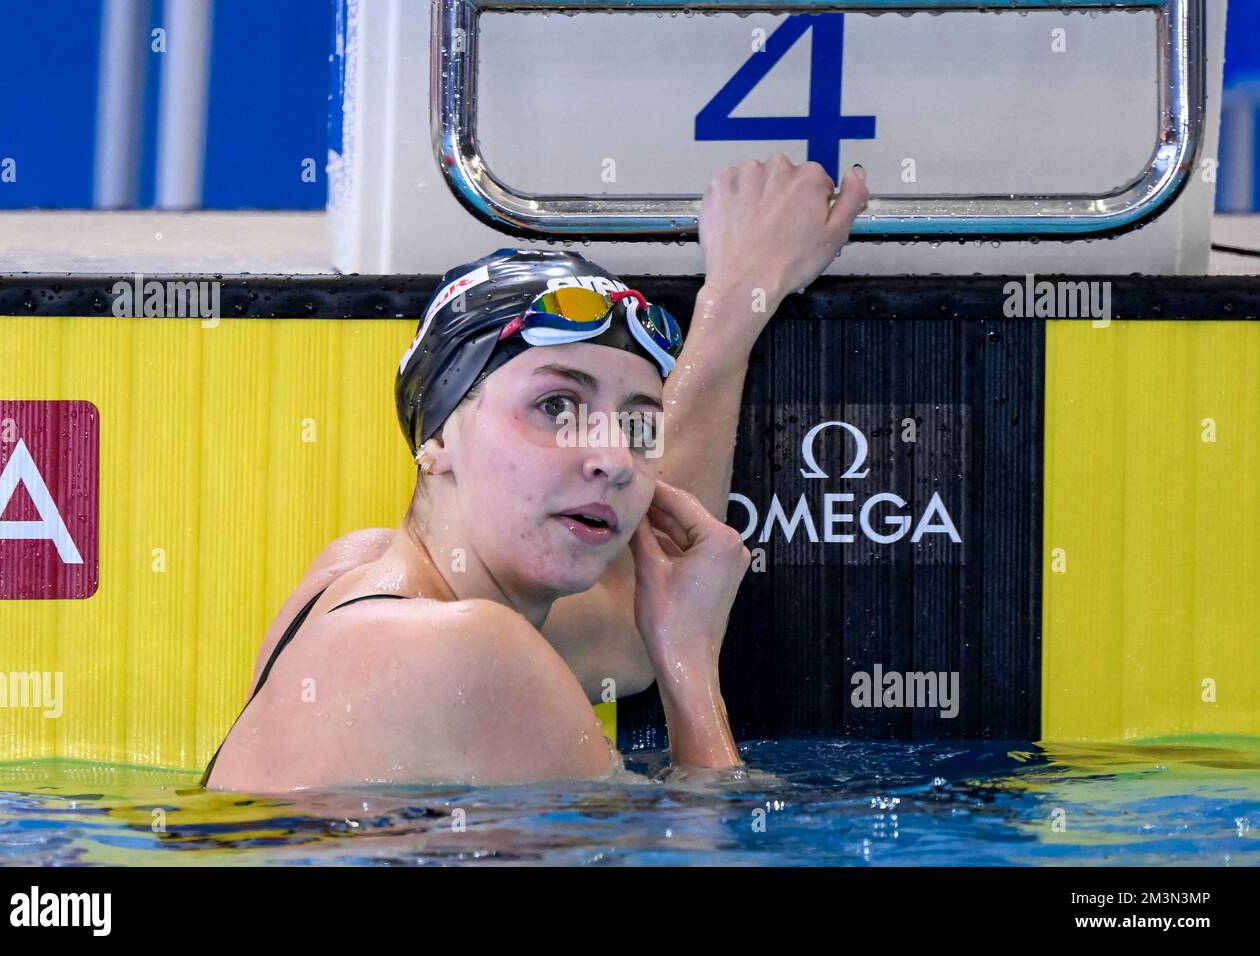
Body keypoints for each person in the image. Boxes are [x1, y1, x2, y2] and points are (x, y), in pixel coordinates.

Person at [202, 156, 869, 792]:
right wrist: (691, 666)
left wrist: (735, 298)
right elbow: (697, 856)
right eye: (556, 407)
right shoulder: (469, 649)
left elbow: (629, 627)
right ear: (436, 435)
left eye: (639, 424)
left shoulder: (355, 577)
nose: (612, 460)